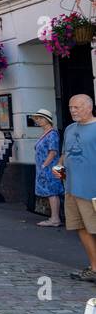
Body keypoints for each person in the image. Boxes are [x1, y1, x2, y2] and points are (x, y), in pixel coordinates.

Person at [54, 94, 96, 282]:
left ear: (89, 107)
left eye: (77, 107)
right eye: (71, 107)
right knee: (81, 227)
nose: (73, 110)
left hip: (92, 189)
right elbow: (65, 155)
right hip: (71, 188)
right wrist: (59, 169)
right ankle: (94, 268)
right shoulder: (70, 129)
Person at [31, 109, 64, 228]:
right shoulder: (47, 133)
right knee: (51, 192)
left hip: (51, 167)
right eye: (37, 118)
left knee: (53, 191)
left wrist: (44, 165)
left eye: (40, 118)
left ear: (47, 119)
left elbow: (53, 152)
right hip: (47, 167)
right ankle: (54, 217)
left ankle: (55, 219)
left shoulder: (52, 133)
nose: (38, 121)